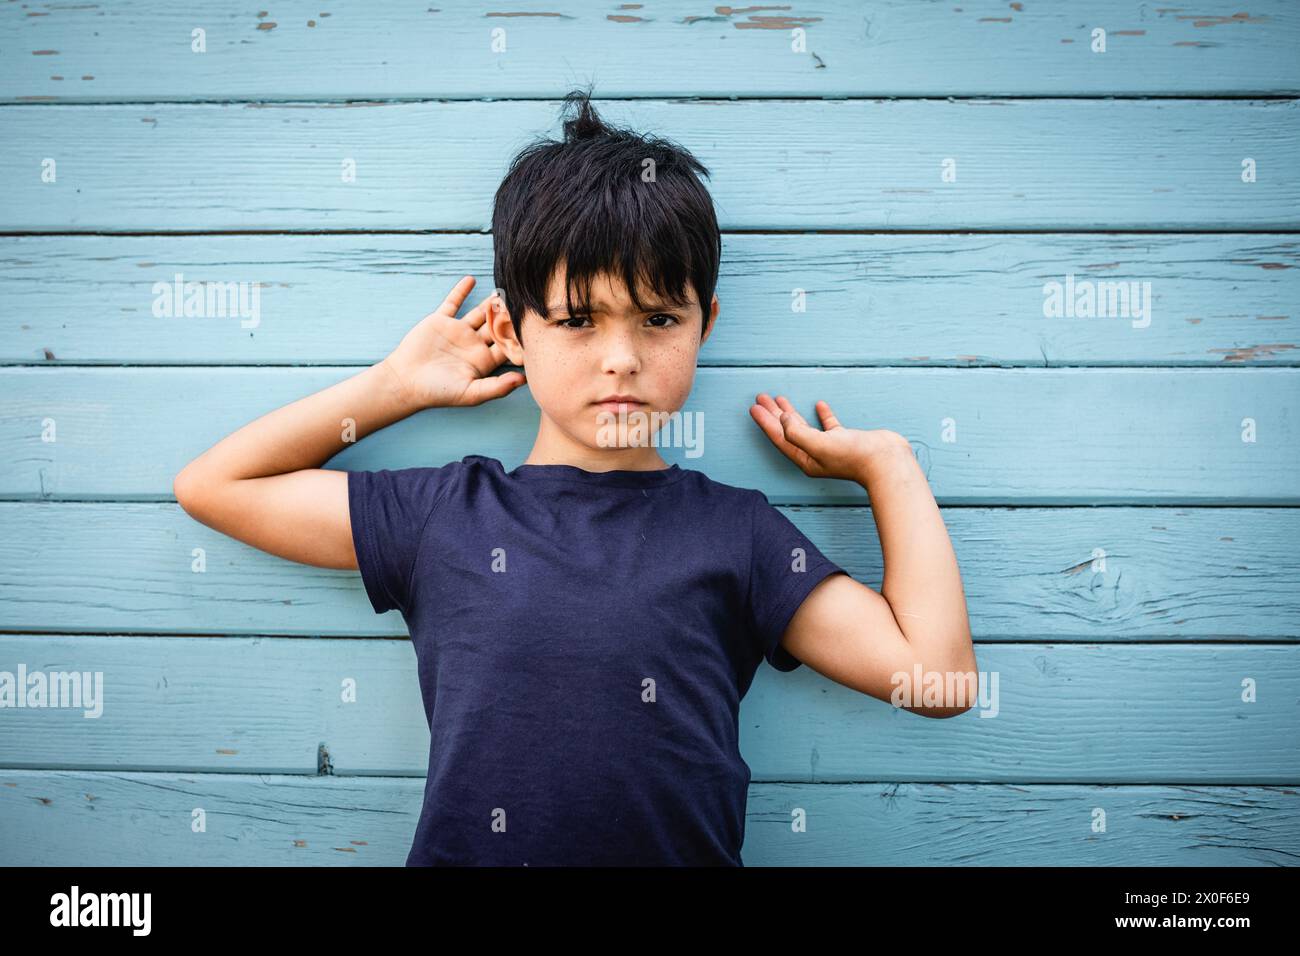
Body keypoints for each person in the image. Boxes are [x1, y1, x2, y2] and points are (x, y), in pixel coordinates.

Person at [173, 87, 976, 866]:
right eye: (577, 320)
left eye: (660, 319)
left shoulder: (741, 533)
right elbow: (215, 486)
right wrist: (395, 387)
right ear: (510, 329)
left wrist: (889, 466)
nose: (621, 357)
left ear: (706, 323)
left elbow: (936, 679)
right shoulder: (443, 514)